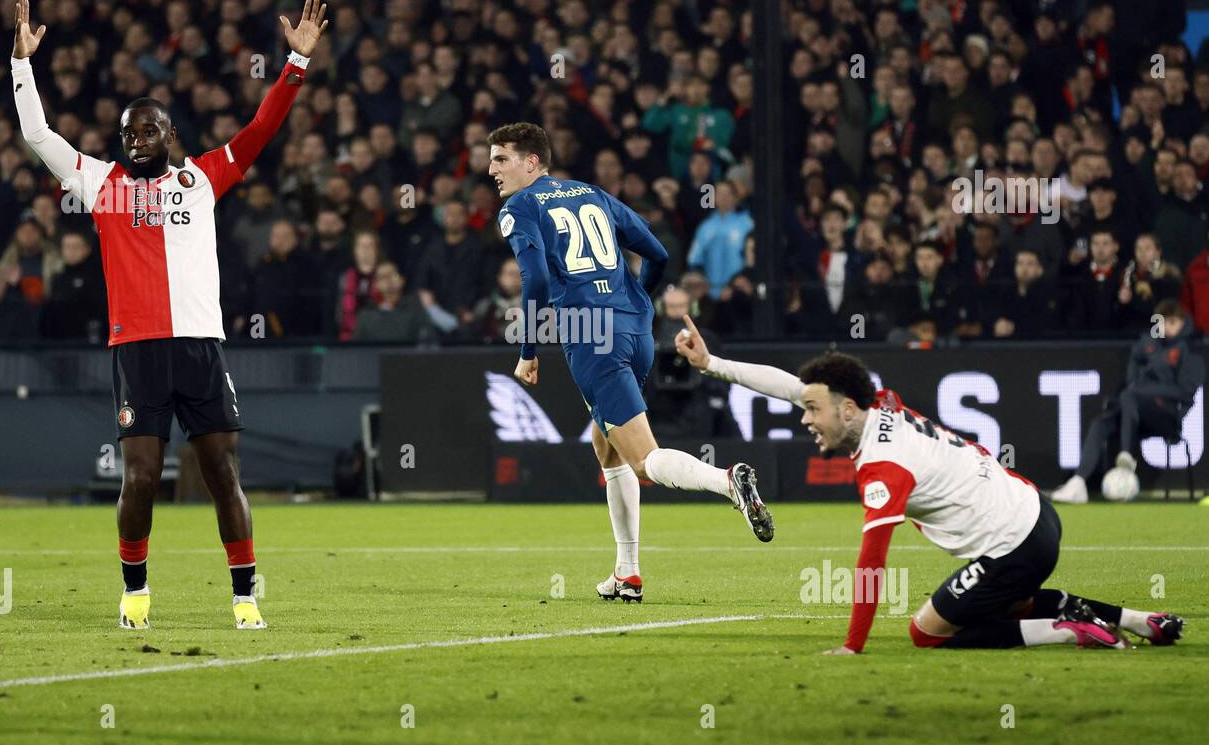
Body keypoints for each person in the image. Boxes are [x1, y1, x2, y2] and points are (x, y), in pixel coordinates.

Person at [11, 0, 329, 630]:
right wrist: (22, 65)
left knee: (222, 472)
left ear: (170, 134)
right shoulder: (100, 184)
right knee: (141, 477)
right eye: (128, 132)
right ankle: (135, 591)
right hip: (138, 350)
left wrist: (295, 59)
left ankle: (244, 598)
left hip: (201, 347)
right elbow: (37, 135)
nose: (136, 140)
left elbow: (261, 130)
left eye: (147, 129)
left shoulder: (205, 180)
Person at [673, 325, 1185, 651]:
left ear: (846, 410)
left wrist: (853, 645)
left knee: (926, 632)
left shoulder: (882, 466)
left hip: (1014, 544)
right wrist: (712, 364)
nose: (805, 418)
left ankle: (1063, 630)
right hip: (1036, 513)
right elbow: (789, 384)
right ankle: (1140, 620)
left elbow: (871, 561)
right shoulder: (883, 404)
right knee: (1006, 601)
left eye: (812, 411)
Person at [489, 122, 771, 604]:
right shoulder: (590, 193)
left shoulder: (519, 206)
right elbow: (656, 252)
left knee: (643, 458)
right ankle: (627, 573)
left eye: (500, 159)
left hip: (590, 335)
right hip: (635, 327)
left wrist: (529, 351)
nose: (491, 169)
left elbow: (532, 279)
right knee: (608, 447)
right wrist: (638, 297)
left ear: (530, 162)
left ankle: (727, 482)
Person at [1052, 300, 1204, 503]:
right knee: (1100, 423)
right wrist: (1138, 387)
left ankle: (1126, 455)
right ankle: (1078, 482)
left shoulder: (1191, 350)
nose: (1167, 327)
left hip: (1167, 416)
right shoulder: (1146, 344)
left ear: (1183, 323)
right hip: (1134, 413)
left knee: (1129, 396)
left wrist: (1144, 391)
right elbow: (1132, 376)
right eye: (1163, 322)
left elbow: (1186, 392)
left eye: (1173, 322)